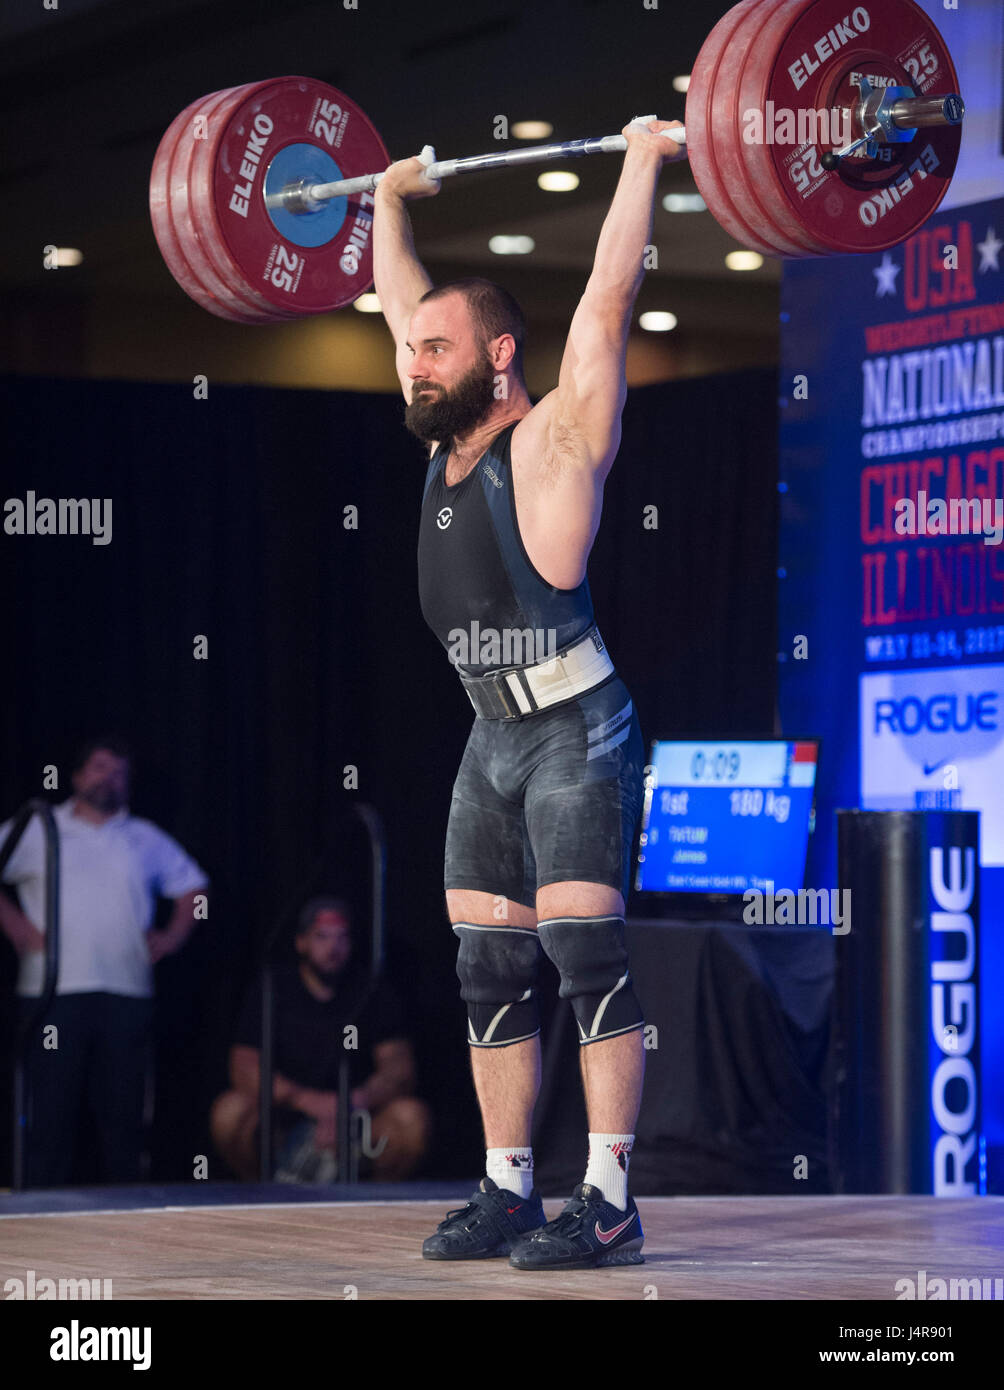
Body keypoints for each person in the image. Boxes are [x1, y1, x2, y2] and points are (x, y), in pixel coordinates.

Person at [371, 116, 685, 1268]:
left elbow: (606, 300)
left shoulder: (552, 440)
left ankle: (607, 1199)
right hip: (487, 736)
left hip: (574, 728)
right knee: (486, 967)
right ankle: (508, 1190)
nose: (413, 361)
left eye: (435, 349)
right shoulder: (440, 449)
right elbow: (397, 300)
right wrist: (385, 200)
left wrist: (641, 160)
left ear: (497, 356)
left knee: (583, 953)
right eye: (410, 349)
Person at [0, 735, 208, 1185]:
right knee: (48, 1110)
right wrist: (15, 925)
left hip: (126, 993)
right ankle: (40, 1207)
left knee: (124, 1114)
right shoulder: (39, 827)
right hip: (52, 993)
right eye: (99, 767)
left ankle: (126, 1208)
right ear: (76, 776)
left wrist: (173, 935)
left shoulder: (143, 837)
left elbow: (194, 889)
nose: (108, 778)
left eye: (119, 772)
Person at [211, 897, 430, 1183]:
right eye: (322, 937)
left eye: (342, 937)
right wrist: (307, 1101)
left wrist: (348, 1105)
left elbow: (399, 1070)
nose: (333, 948)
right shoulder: (272, 990)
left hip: (358, 1119)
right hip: (286, 1118)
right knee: (229, 1112)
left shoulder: (372, 992)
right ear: (301, 942)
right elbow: (244, 1067)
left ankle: (373, 1199)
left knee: (411, 1118)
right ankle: (263, 1194)